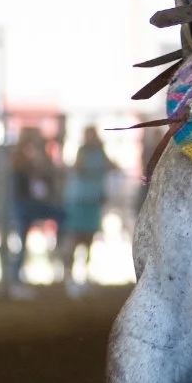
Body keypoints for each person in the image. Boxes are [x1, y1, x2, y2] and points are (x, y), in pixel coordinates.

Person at [7, 127, 64, 289]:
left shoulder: (29, 156)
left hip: (28, 204)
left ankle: (58, 253)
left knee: (60, 216)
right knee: (21, 243)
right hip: (24, 205)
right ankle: (15, 280)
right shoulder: (21, 157)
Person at [61, 125, 114, 295]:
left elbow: (111, 166)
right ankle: (69, 277)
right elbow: (80, 167)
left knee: (89, 240)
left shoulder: (100, 152)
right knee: (75, 238)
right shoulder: (82, 152)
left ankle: (84, 276)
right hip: (79, 201)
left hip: (93, 201)